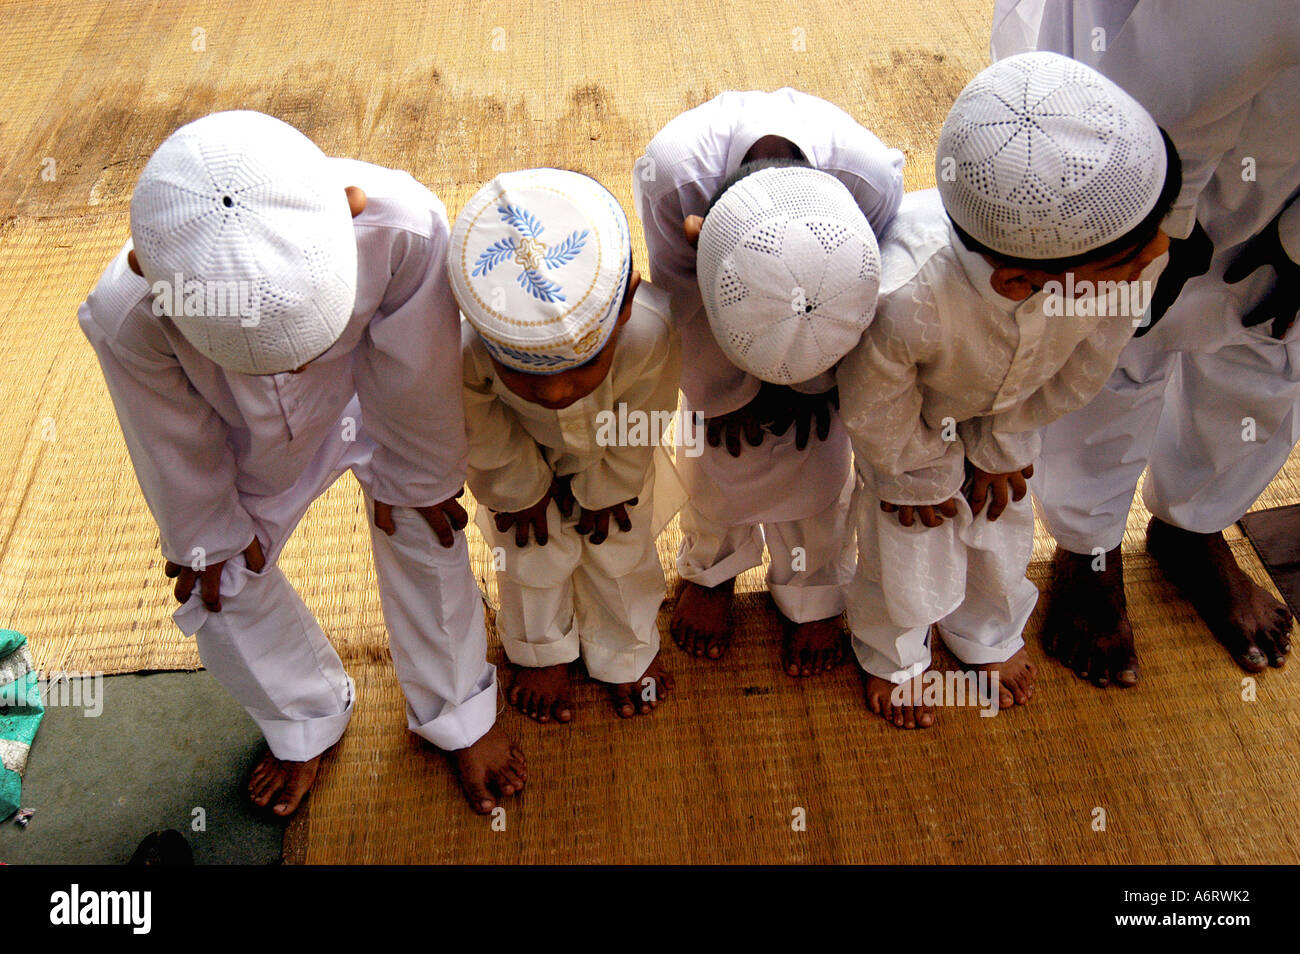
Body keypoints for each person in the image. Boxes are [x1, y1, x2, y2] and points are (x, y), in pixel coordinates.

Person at [80, 110, 525, 815]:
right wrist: (211, 532)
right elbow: (170, 444)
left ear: (349, 210)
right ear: (152, 280)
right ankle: (306, 716)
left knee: (425, 517)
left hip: (370, 390)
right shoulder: (127, 312)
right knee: (213, 576)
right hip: (243, 437)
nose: (295, 360)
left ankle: (457, 713)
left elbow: (418, 367)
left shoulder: (401, 224)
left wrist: (417, 475)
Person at [839, 52, 1179, 728]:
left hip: (1009, 414)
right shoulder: (907, 293)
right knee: (905, 538)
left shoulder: (1126, 251)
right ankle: (896, 651)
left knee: (1001, 525)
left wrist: (1002, 443)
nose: (1158, 253)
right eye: (1130, 260)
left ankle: (986, 633)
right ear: (1018, 286)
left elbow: (1082, 369)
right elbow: (874, 404)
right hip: (913, 431)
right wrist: (919, 474)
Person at [992, 0, 1300, 685]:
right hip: (1144, 88)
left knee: (1269, 341)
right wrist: (1163, 213)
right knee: (1114, 327)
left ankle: (1195, 525)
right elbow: (1197, 52)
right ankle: (1089, 543)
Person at [634, 88, 904, 675]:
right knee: (721, 443)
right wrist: (723, 396)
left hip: (830, 333)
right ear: (697, 233)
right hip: (716, 326)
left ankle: (815, 586)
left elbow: (859, 297)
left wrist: (813, 383)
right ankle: (713, 567)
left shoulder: (871, 182)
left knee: (819, 446)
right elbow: (686, 301)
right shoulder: (672, 181)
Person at [451, 169, 682, 724]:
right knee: (527, 547)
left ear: (626, 304)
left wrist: (610, 488)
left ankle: (625, 648)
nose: (555, 394)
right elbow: (480, 425)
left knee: (620, 545)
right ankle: (539, 649)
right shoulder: (466, 345)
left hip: (612, 460)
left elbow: (643, 420)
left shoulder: (650, 331)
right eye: (528, 379)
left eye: (579, 373)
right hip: (517, 458)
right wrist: (519, 489)